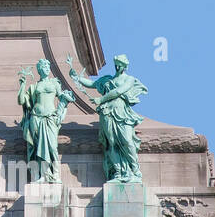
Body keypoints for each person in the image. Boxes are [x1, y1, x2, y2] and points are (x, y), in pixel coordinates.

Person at [67, 53, 148, 183]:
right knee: (111, 143)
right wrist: (76, 77)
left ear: (125, 66)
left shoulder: (129, 79)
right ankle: (117, 171)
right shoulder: (107, 80)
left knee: (127, 141)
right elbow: (91, 84)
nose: (117, 67)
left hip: (121, 114)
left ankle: (134, 169)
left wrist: (101, 98)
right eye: (116, 64)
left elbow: (118, 91)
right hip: (106, 113)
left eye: (120, 65)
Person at [17, 59, 74, 183]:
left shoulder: (54, 83)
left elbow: (62, 96)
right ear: (39, 70)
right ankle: (43, 175)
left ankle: (56, 175)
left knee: (52, 147)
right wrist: (22, 85)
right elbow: (21, 100)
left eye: (48, 66)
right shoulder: (34, 87)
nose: (47, 68)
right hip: (36, 117)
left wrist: (68, 98)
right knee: (39, 147)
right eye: (44, 66)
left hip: (50, 118)